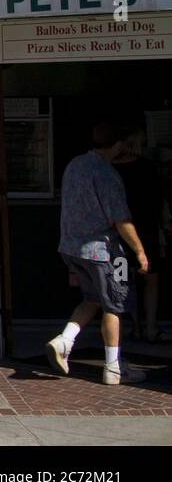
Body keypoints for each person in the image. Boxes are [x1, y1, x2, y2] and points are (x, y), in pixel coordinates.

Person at [46, 121, 149, 385]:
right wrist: (139, 252)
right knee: (116, 304)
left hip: (72, 248)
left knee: (92, 298)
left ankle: (64, 340)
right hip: (107, 252)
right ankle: (113, 367)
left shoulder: (75, 166)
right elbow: (121, 220)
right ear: (118, 145)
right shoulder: (106, 173)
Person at [112, 129, 170, 342]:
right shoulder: (147, 168)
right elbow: (158, 200)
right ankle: (151, 327)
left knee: (123, 281)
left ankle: (134, 326)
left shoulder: (108, 169)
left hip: (116, 233)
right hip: (146, 230)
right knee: (150, 279)